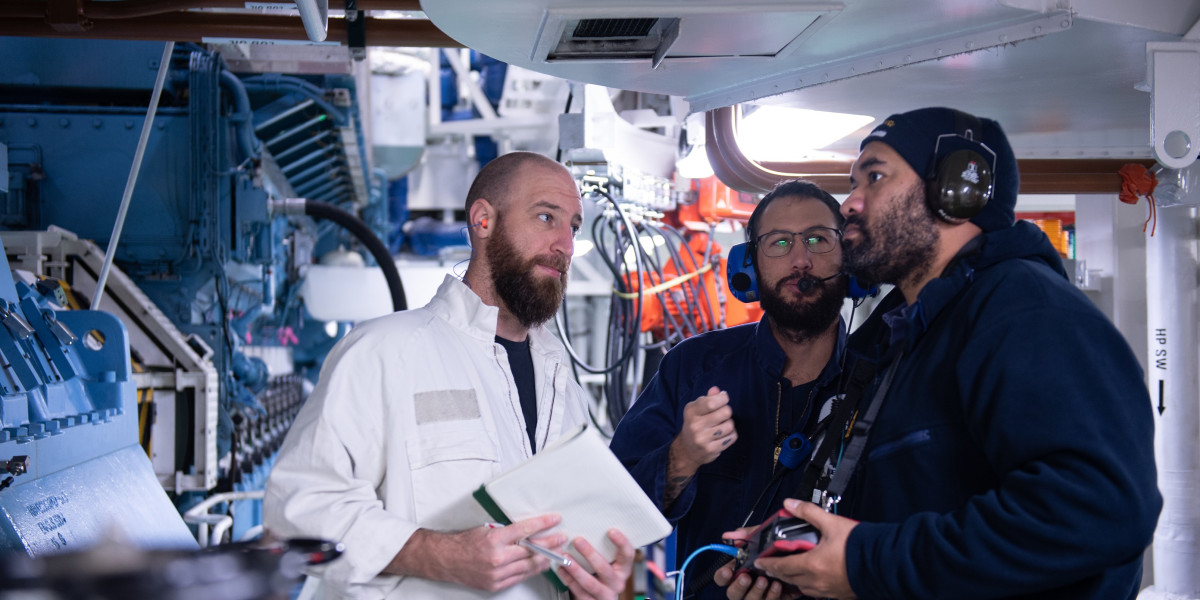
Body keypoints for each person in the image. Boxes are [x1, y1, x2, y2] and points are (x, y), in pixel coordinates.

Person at [718, 107, 1162, 600]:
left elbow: (1097, 511)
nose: (850, 203)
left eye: (875, 177)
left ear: (956, 189)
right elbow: (911, 512)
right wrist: (807, 561)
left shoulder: (1028, 314)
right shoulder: (899, 341)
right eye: (853, 182)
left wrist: (865, 561)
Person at [263, 151, 635, 600]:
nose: (565, 246)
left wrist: (593, 581)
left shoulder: (564, 385)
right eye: (545, 217)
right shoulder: (384, 351)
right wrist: (438, 554)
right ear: (483, 221)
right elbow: (299, 507)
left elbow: (568, 541)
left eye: (572, 227)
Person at [609, 180, 854, 600]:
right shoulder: (692, 368)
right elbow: (613, 510)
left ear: (848, 256)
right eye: (778, 243)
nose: (801, 260)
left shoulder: (887, 373)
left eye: (818, 239)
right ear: (749, 265)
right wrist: (680, 458)